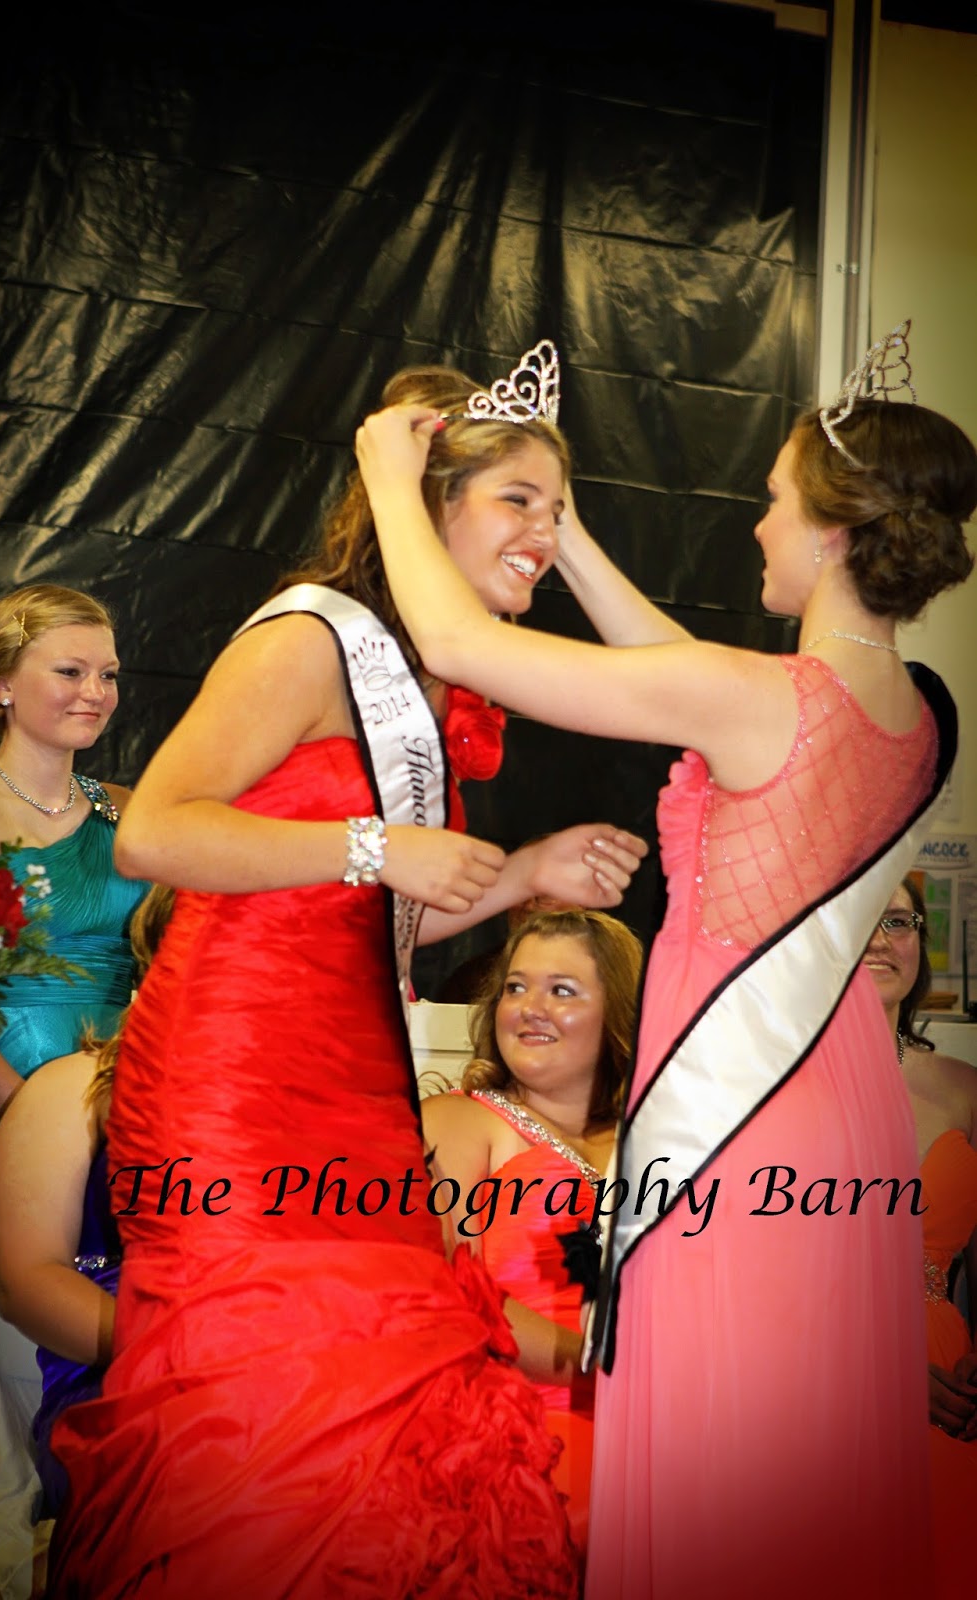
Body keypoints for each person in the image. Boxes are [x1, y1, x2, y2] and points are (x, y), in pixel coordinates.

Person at [357, 328, 977, 1599]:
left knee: (719, 1455)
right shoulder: (918, 713)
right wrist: (569, 531)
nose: (753, 526)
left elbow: (466, 647)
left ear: (832, 537)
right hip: (837, 1108)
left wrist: (380, 469)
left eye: (769, 503)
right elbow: (678, 671)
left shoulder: (760, 698)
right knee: (796, 1456)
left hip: (732, 1132)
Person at [44, 357, 647, 1600]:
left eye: (555, 510)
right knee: (268, 1380)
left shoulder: (434, 690)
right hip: (230, 1073)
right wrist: (377, 843)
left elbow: (378, 923)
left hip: (356, 1071)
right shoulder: (310, 633)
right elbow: (156, 831)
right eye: (519, 503)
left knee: (388, 1366)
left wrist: (526, 868)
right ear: (429, 502)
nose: (544, 535)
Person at [0, 583, 147, 1593]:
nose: (94, 691)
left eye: (107, 674)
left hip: (122, 1114)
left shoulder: (137, 813)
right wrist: (36, 1136)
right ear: (2, 681)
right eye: (70, 669)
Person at [0, 884, 175, 1598]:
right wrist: (193, 1354)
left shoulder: (310, 1105)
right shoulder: (74, 1089)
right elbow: (27, 1283)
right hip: (125, 1384)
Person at [422, 907, 642, 1560]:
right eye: (516, 987)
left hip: (665, 1444)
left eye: (562, 990)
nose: (528, 1007)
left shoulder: (663, 1139)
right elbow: (445, 1297)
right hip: (519, 1447)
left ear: (618, 1015)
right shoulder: (457, 1124)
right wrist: (613, 1369)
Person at [864, 875, 977, 1600]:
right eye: (863, 921)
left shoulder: (965, 1090)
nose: (883, 939)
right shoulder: (769, 1088)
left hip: (952, 1391)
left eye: (900, 922)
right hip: (823, 1389)